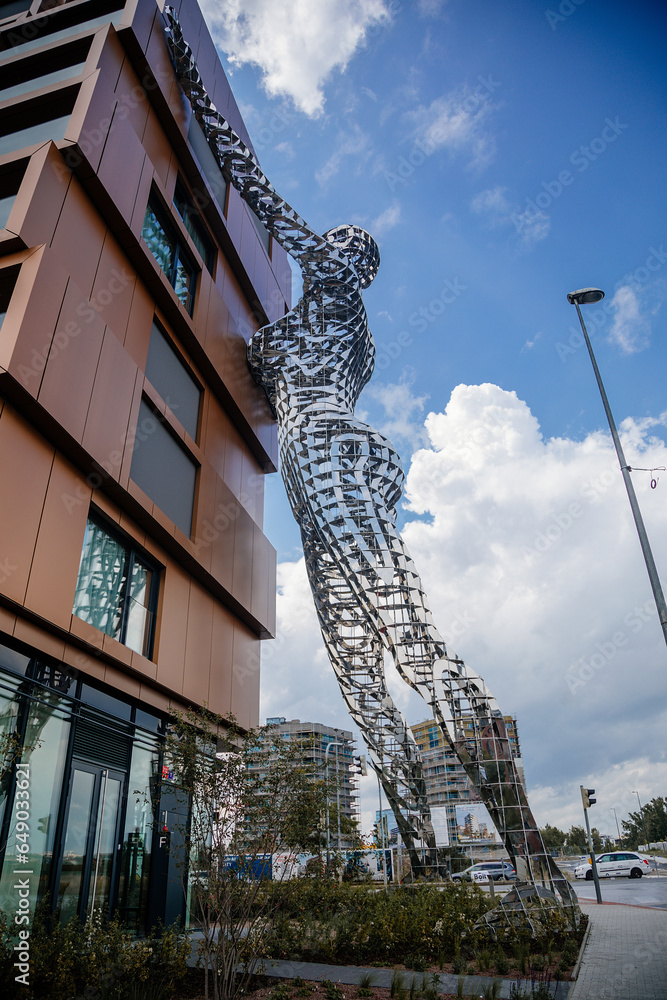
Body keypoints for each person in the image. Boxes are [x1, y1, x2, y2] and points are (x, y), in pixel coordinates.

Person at [164, 7, 578, 910]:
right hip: (318, 477)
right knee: (358, 673)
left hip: (328, 453)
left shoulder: (335, 301)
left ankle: (531, 862)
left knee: (414, 648)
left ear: (355, 270)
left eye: (349, 249)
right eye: (337, 245)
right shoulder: (326, 328)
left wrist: (191, 80)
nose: (335, 249)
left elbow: (258, 190)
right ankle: (430, 874)